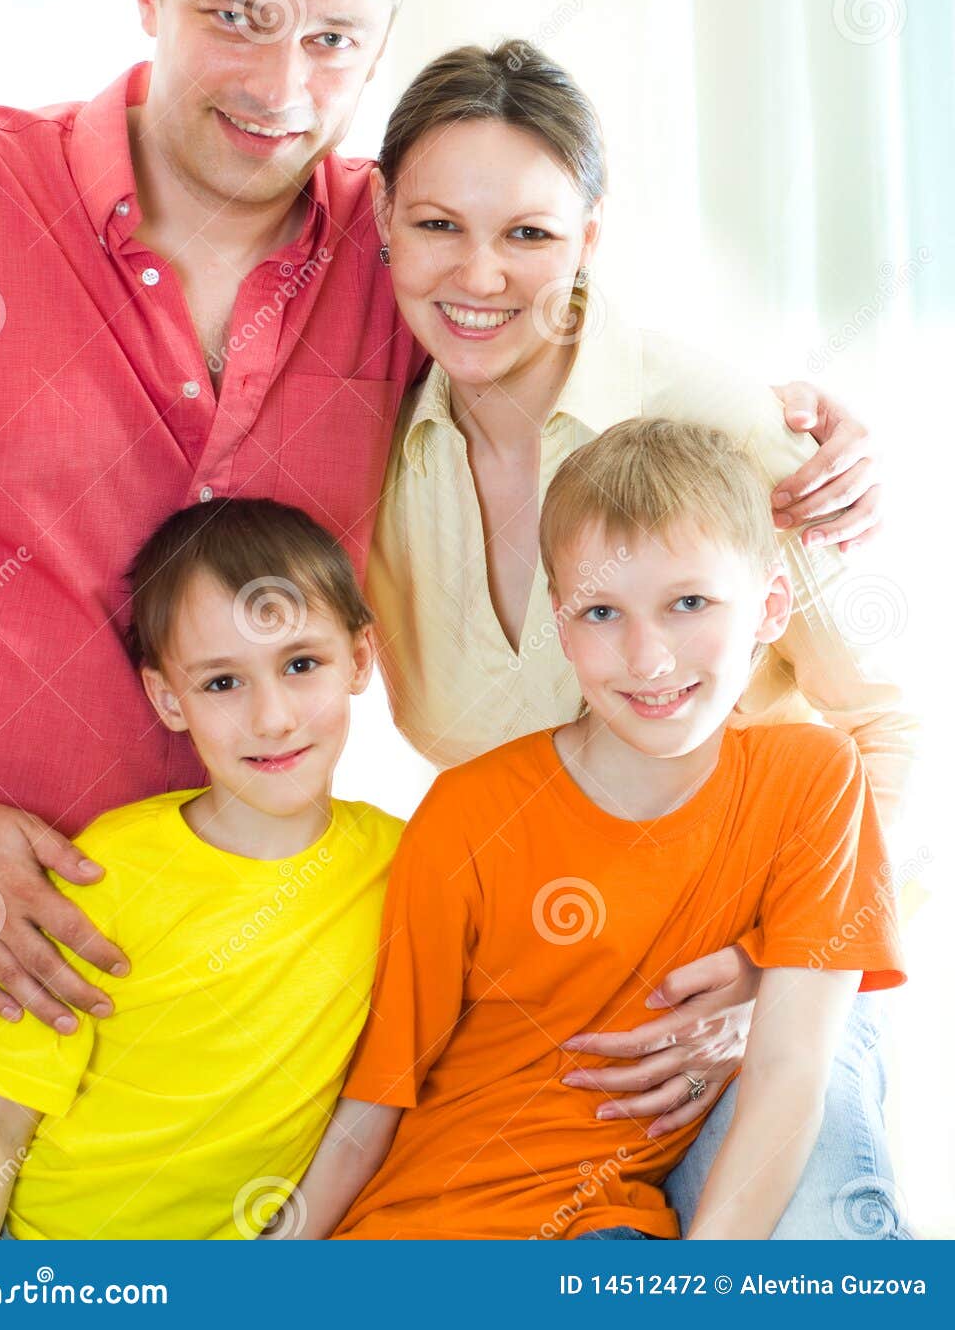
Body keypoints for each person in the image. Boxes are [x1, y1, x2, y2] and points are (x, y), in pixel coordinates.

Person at [0, 0, 882, 1238]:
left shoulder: (397, 246)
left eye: (336, 40)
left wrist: (786, 423)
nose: (283, 85)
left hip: (264, 1094)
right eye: (239, 16)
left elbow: (556, 302)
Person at [364, 40, 915, 1236]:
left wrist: (777, 963)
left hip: (758, 993)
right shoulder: (371, 456)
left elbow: (891, 722)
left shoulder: (712, 422)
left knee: (816, 1246)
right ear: (384, 224)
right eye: (438, 225)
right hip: (542, 1022)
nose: (478, 275)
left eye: (530, 234)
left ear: (592, 238)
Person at [267, 419, 905, 1242]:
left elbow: (791, 1073)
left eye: (688, 603)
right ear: (562, 629)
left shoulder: (810, 780)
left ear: (770, 606)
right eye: (602, 612)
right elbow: (373, 1104)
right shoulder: (470, 812)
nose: (646, 658)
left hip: (594, 1242)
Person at [0, 497, 401, 1240]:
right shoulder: (109, 867)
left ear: (360, 659)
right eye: (221, 683)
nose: (272, 717)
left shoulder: (404, 863)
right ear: (168, 698)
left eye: (301, 664)